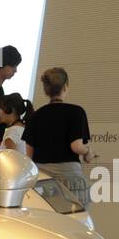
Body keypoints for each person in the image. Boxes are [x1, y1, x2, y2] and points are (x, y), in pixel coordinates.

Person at [22, 68, 93, 205]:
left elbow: (29, 157)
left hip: (42, 182)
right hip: (70, 180)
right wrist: (88, 151)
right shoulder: (76, 112)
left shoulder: (35, 116)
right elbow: (76, 146)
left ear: (46, 89)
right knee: (76, 223)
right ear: (66, 86)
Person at [0, 93, 32, 159]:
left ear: (11, 109)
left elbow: (10, 160)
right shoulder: (23, 127)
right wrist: (1, 143)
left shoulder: (12, 132)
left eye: (0, 108)